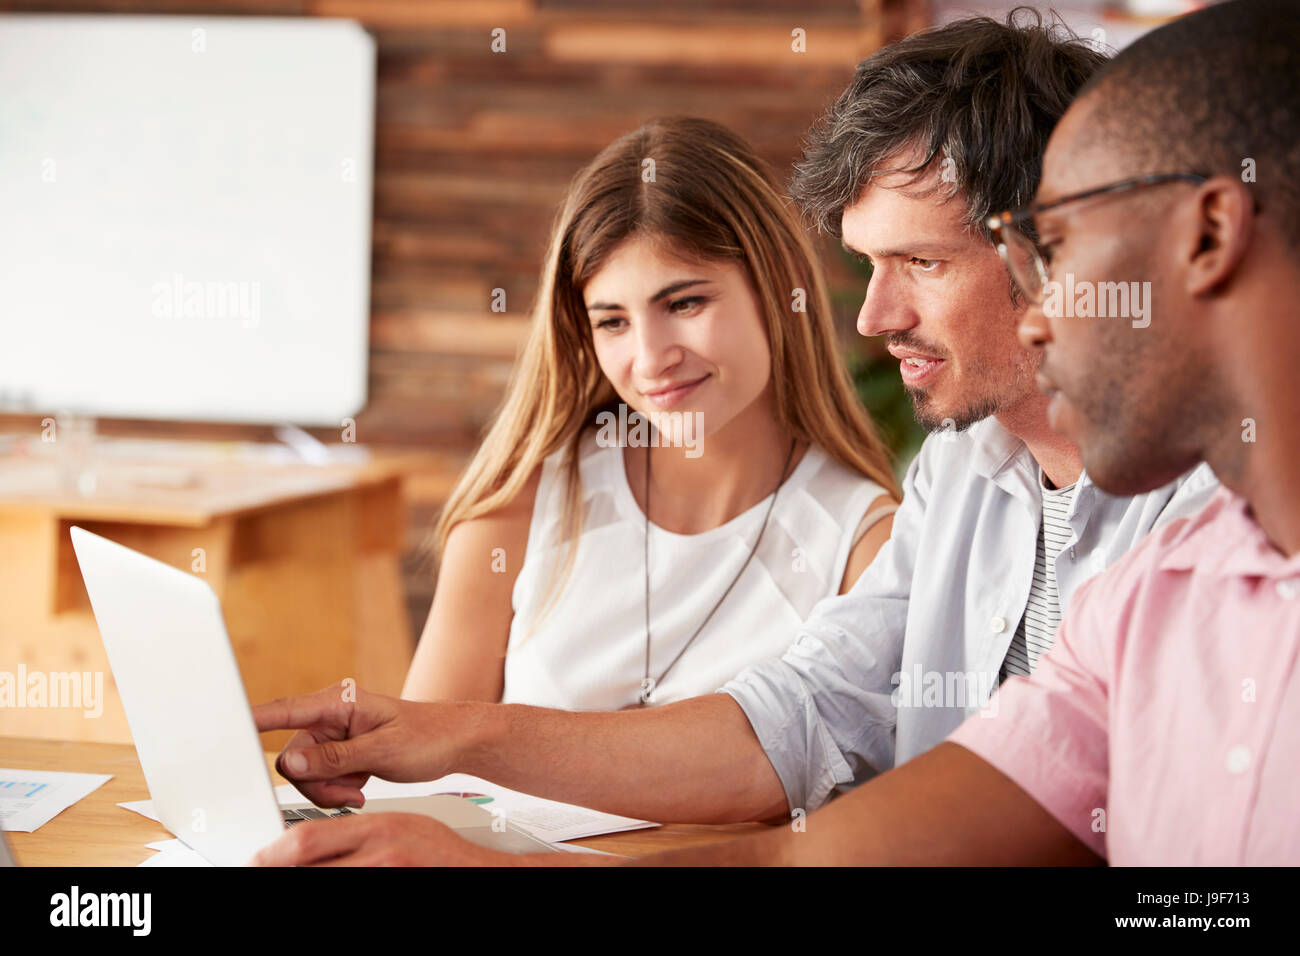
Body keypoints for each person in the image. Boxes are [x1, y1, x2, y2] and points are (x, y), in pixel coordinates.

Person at [248, 9, 1226, 865]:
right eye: (865, 265)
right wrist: (456, 734)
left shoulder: (1213, 515)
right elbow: (794, 723)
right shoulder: (962, 473)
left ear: (1060, 248)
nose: (873, 317)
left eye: (919, 262)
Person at [400, 116, 900, 712]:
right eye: (613, 320)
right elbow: (424, 775)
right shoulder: (524, 499)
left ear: (781, 284)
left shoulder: (864, 544)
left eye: (685, 302)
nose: (650, 359)